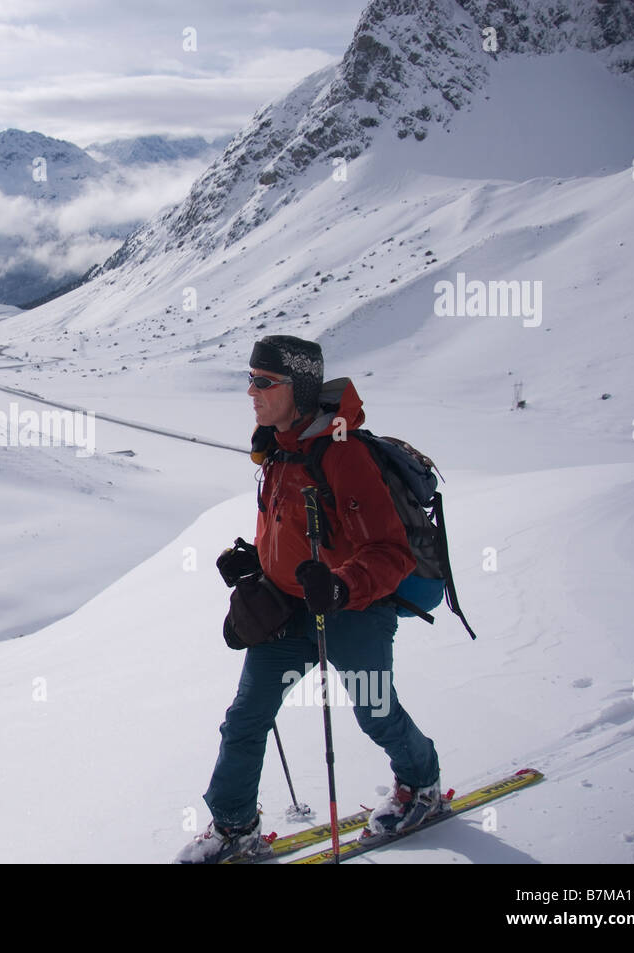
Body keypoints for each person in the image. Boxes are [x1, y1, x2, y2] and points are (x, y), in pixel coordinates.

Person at [176, 334, 441, 864]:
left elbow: (390, 553)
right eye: (248, 379)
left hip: (353, 609)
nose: (250, 392)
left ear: (296, 388)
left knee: (374, 710)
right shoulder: (279, 450)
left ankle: (421, 785)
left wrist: (341, 586)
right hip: (286, 608)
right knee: (247, 717)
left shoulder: (344, 457)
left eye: (262, 381)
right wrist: (258, 560)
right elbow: (294, 528)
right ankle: (234, 828)